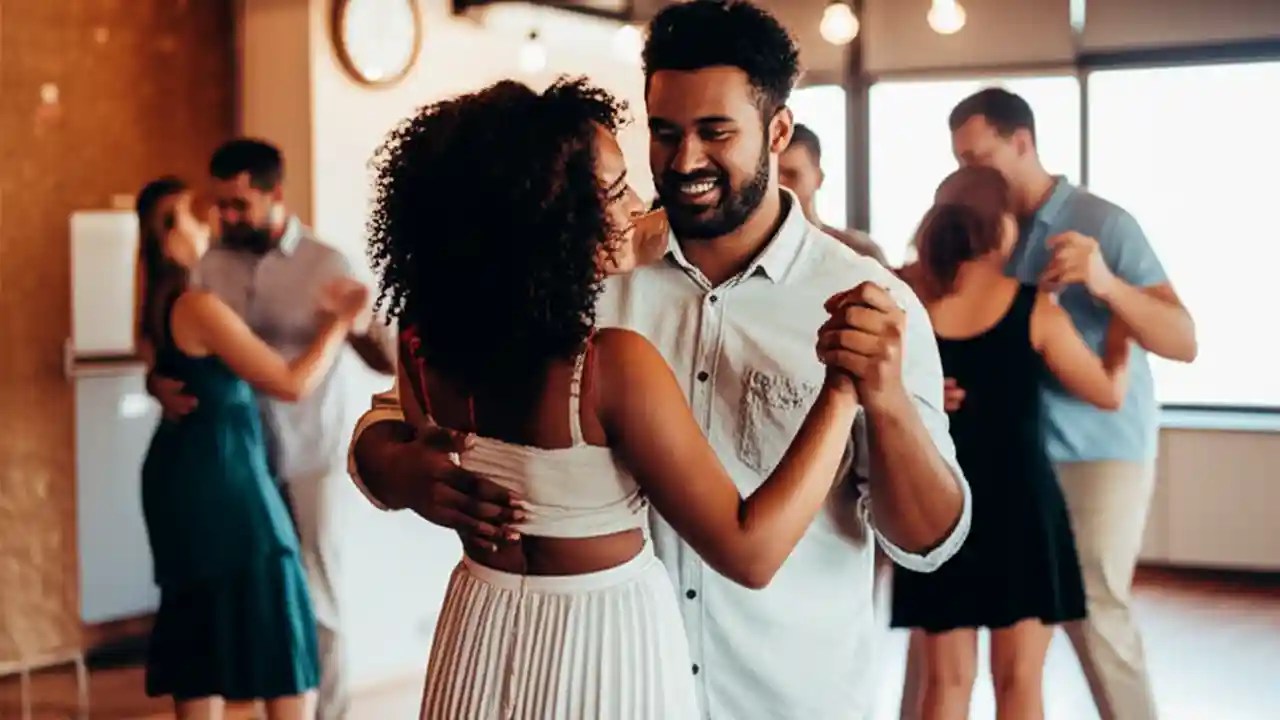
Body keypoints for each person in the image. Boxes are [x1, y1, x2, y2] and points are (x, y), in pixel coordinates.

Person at [350, 2, 971, 718]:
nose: (683, 162)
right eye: (665, 133)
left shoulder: (869, 303)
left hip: (785, 700)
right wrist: (397, 468)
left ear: (777, 132)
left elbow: (929, 541)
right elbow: (395, 420)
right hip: (595, 682)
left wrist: (884, 400)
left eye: (715, 132)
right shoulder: (579, 272)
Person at [943, 88, 1197, 720]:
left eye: (979, 156)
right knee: (978, 632)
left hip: (1097, 450)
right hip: (1009, 456)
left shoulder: (1104, 222)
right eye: (960, 161)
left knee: (1093, 608)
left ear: (1022, 143)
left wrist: (1106, 283)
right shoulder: (982, 222)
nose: (969, 171)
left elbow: (1183, 340)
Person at [145, 140, 396, 720]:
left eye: (239, 204)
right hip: (233, 468)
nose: (227, 217)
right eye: (220, 205)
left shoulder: (327, 262)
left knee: (317, 608)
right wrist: (156, 384)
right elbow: (181, 352)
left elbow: (383, 357)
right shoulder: (210, 264)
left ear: (274, 194)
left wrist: (354, 321)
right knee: (247, 604)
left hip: (309, 456)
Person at [896, 165, 1131, 720]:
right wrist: (1121, 335)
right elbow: (1108, 392)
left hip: (937, 508)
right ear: (1004, 229)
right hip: (1021, 511)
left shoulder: (909, 306)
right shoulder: (1034, 309)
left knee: (944, 686)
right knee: (1019, 683)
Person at [779, 122, 888, 265]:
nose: (778, 185)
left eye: (791, 174)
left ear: (818, 178)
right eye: (770, 176)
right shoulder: (750, 254)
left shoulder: (858, 252)